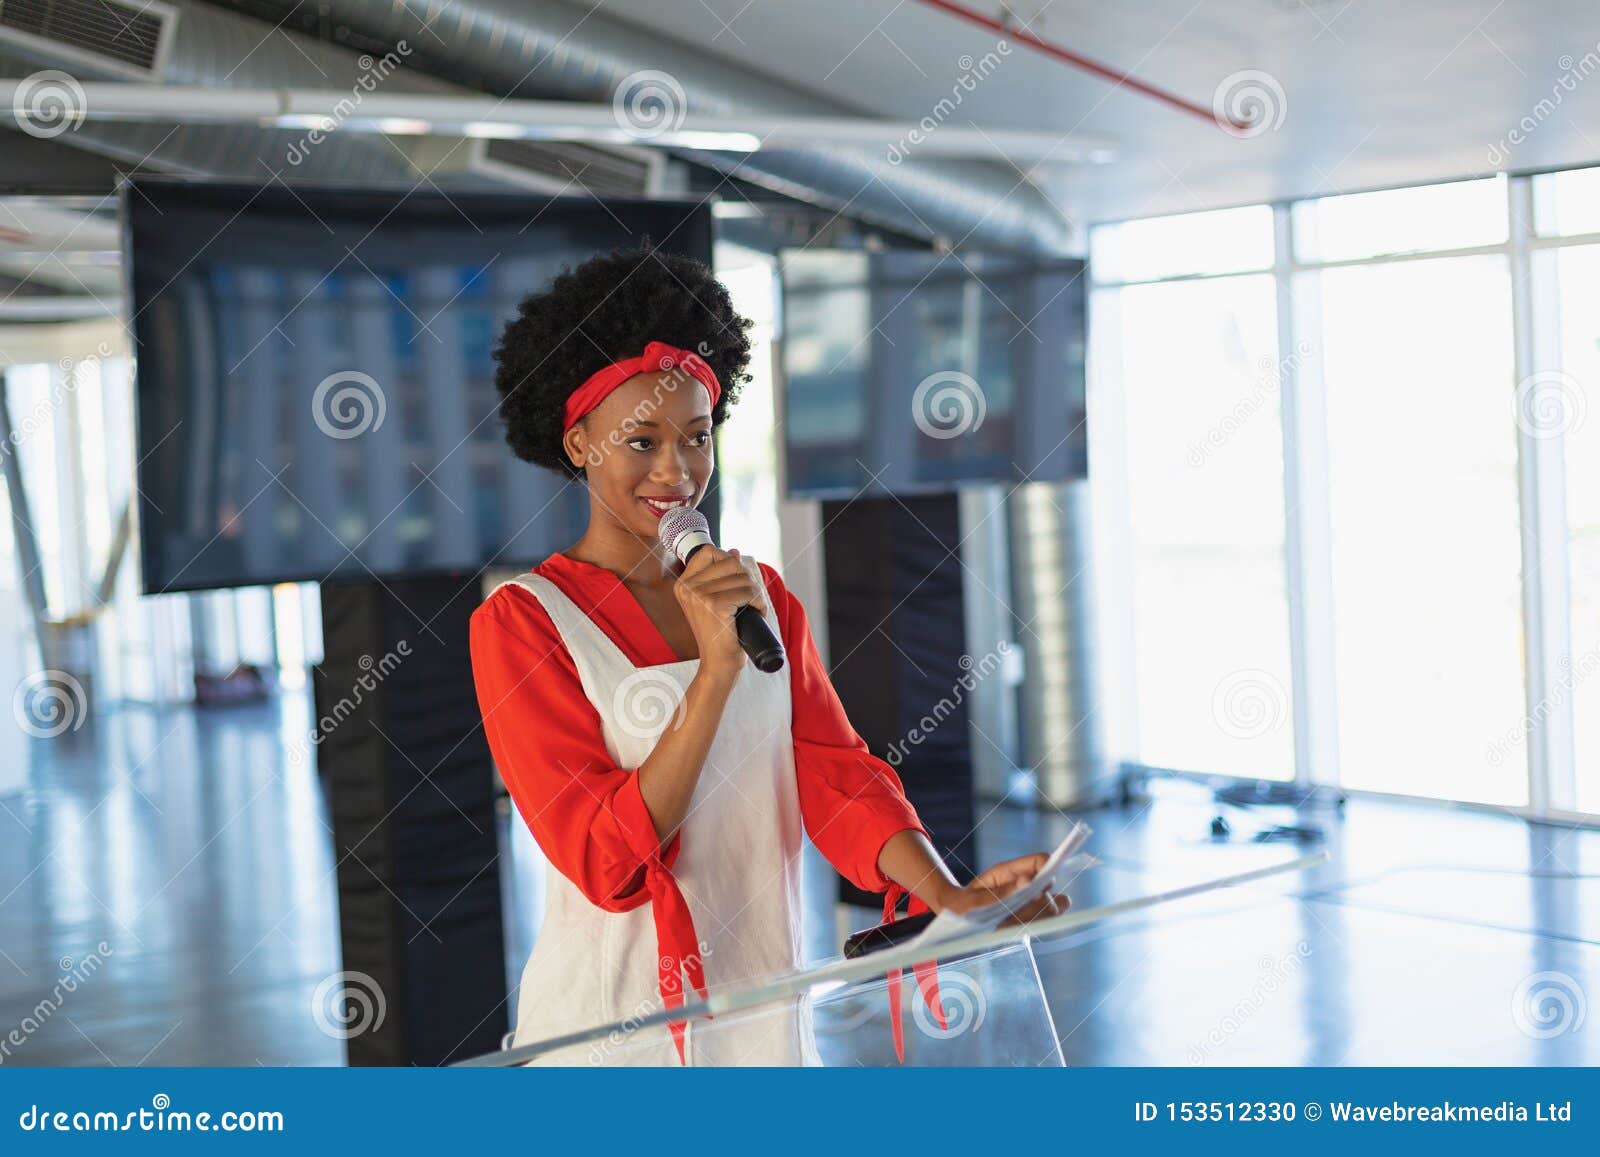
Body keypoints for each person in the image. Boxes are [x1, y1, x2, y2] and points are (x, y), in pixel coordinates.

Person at [469, 240, 1068, 1066]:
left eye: (697, 435)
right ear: (579, 444)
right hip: (612, 1045)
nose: (678, 471)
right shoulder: (523, 622)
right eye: (641, 441)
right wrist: (715, 674)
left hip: (760, 1018)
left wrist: (949, 895)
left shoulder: (762, 595)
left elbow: (839, 776)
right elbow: (603, 858)